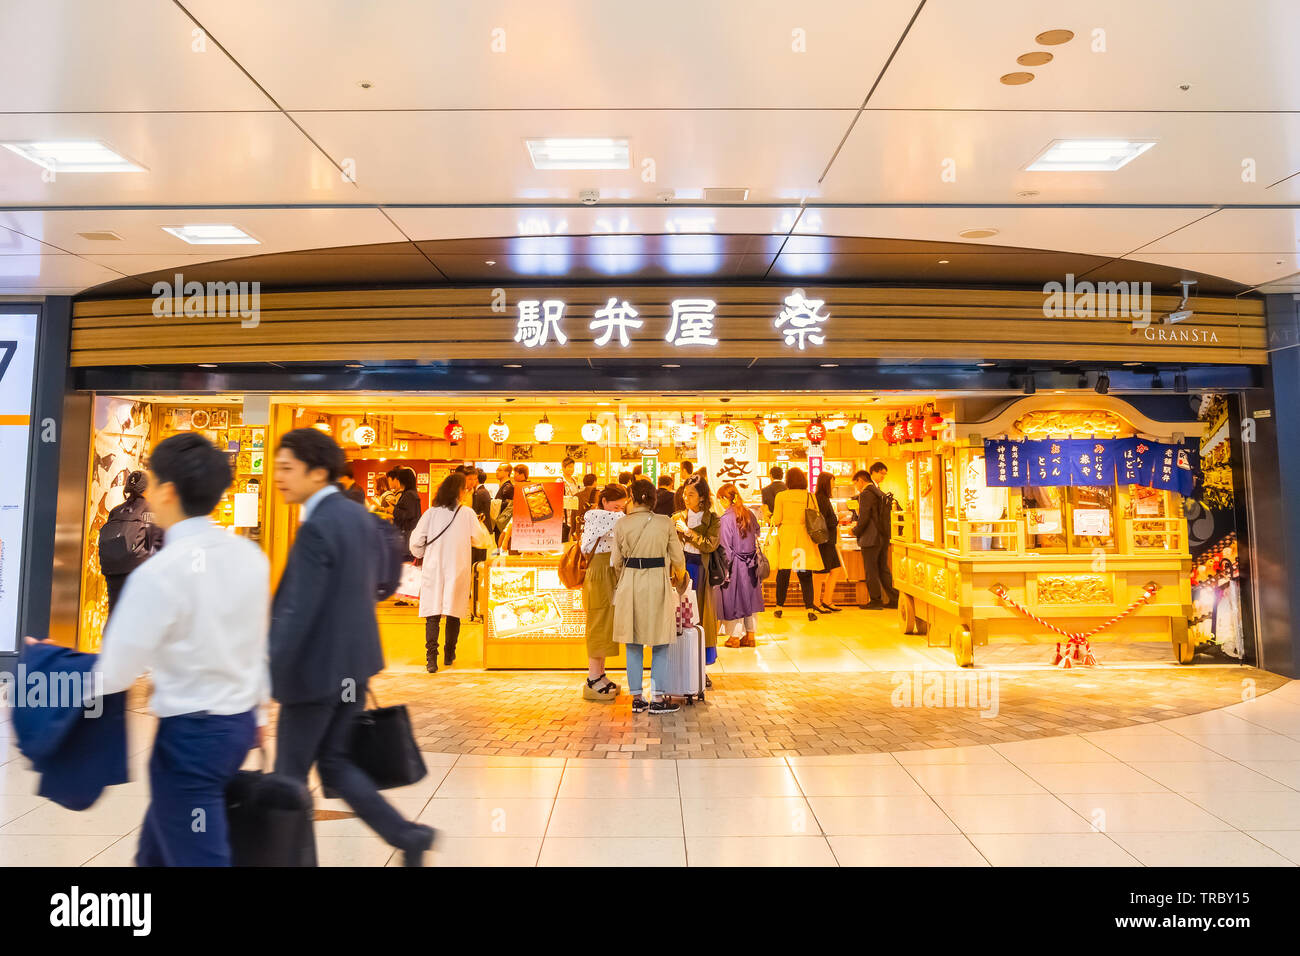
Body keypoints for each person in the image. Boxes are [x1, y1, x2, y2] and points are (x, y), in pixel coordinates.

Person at [92, 433, 268, 866]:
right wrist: (260, 714)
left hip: (191, 739)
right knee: (156, 849)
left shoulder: (161, 571)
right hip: (238, 726)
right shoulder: (250, 556)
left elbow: (115, 670)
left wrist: (46, 664)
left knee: (197, 853)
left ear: (168, 492)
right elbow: (258, 644)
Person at [270, 428, 435, 867]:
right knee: (337, 763)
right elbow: (387, 577)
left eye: (287, 468)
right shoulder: (360, 517)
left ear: (318, 471)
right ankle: (408, 834)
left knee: (288, 778)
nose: (277, 477)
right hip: (353, 667)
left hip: (313, 675)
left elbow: (296, 612)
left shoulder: (316, 527)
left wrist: (268, 671)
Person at [610, 479, 685, 715]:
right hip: (656, 582)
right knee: (659, 641)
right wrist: (678, 578)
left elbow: (616, 562)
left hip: (630, 583)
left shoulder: (622, 524)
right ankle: (659, 697)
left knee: (633, 643)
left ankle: (636, 698)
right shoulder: (665, 523)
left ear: (632, 497)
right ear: (653, 498)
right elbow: (678, 558)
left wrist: (627, 577)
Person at [410, 472, 493, 672]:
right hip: (458, 568)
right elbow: (482, 541)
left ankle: (431, 658)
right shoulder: (466, 513)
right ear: (458, 492)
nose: (466, 492)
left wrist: (421, 553)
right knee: (453, 612)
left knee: (433, 613)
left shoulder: (431, 513)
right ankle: (449, 653)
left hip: (433, 567)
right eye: (465, 489)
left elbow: (415, 542)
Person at [578, 483, 629, 702]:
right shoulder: (596, 514)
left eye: (622, 507)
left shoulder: (609, 517)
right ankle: (592, 679)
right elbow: (627, 522)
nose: (619, 511)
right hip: (599, 573)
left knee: (607, 622)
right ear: (605, 502)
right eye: (616, 506)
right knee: (599, 622)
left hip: (608, 573)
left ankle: (600, 675)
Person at [673, 473, 720, 681]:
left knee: (699, 616)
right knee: (679, 617)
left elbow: (710, 545)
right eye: (685, 494)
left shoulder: (712, 519)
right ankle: (680, 666)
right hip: (680, 571)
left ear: (702, 497)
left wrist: (688, 532)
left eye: (691, 494)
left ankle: (701, 669)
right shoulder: (677, 517)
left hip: (701, 570)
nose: (686, 498)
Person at [98, 469, 163, 614]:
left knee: (114, 612)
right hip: (137, 572)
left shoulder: (116, 511)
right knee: (137, 614)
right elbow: (156, 545)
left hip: (112, 571)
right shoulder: (151, 510)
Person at [714, 483, 764, 647]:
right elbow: (757, 532)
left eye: (720, 499)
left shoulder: (726, 519)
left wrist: (724, 570)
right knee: (750, 599)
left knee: (734, 600)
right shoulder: (748, 513)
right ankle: (750, 636)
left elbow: (725, 547)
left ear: (724, 499)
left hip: (735, 565)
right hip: (751, 563)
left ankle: (734, 637)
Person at [771, 466, 823, 620]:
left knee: (783, 573)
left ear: (788, 480)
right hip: (804, 537)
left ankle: (779, 607)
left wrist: (770, 516)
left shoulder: (781, 496)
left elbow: (777, 519)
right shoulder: (810, 496)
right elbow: (816, 518)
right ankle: (809, 609)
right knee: (805, 574)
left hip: (787, 536)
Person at [853, 463, 899, 609]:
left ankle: (875, 600)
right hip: (882, 536)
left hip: (870, 538)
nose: (856, 487)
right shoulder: (878, 493)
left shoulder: (866, 493)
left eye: (855, 483)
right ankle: (894, 598)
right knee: (882, 568)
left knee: (871, 569)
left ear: (860, 480)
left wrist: (855, 531)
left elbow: (865, 518)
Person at [812, 471, 845, 613]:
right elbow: (823, 520)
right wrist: (838, 518)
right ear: (826, 483)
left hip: (829, 541)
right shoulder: (821, 498)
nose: (834, 484)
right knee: (820, 572)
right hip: (824, 541)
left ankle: (826, 600)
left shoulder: (823, 498)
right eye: (832, 482)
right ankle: (816, 602)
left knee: (835, 570)